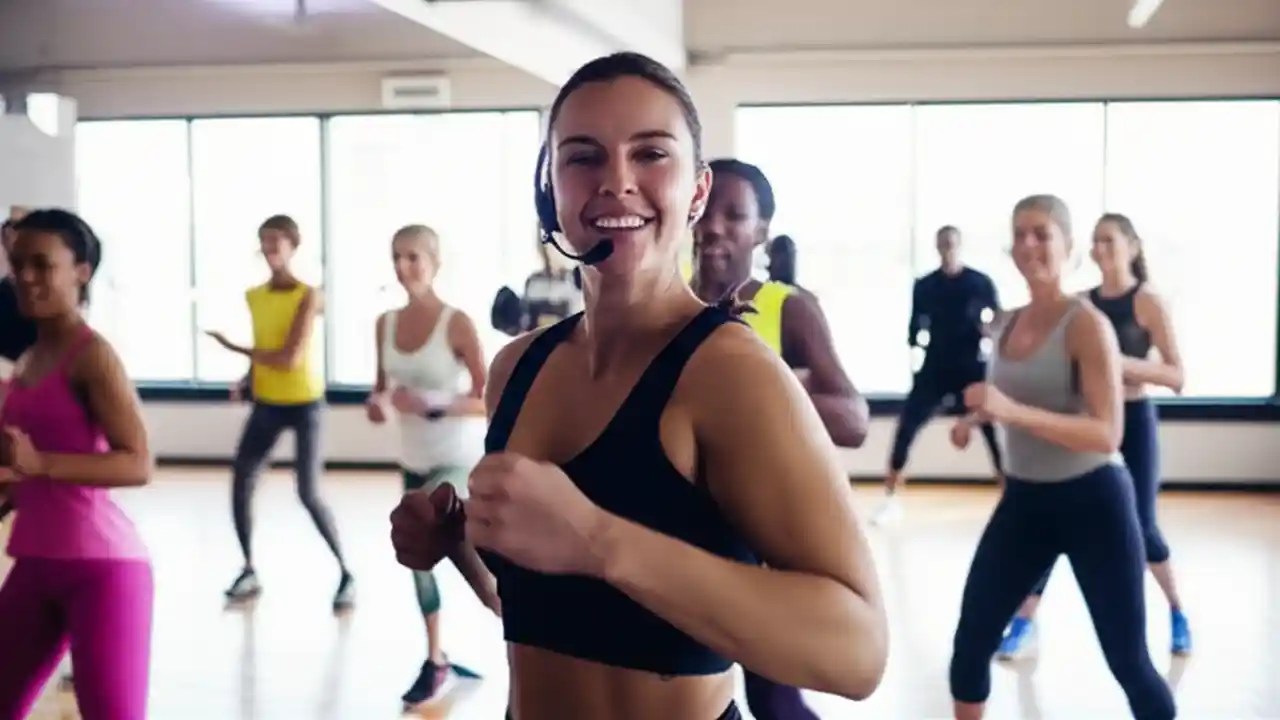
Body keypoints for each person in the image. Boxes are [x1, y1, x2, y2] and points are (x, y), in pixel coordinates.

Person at [390, 51, 888, 720]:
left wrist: (600, 540)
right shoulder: (516, 370)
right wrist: (456, 548)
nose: (616, 181)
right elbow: (550, 618)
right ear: (550, 191)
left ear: (698, 192)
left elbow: (858, 653)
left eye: (651, 154)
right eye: (583, 156)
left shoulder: (729, 372)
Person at [946, 194, 1176, 720]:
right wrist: (973, 418)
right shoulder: (1005, 322)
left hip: (1094, 500)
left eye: (1042, 233)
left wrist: (1009, 410)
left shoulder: (1086, 324)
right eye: (1020, 234)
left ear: (1069, 247)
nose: (1029, 244)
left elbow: (1106, 433)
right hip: (1025, 501)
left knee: (1128, 661)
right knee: (969, 649)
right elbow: (1007, 396)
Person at [692, 157, 869, 719]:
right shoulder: (668, 307)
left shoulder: (787, 308)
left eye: (734, 215)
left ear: (761, 231)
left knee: (772, 697)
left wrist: (767, 394)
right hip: (681, 532)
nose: (715, 226)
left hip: (761, 544)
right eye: (707, 210)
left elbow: (853, 419)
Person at [996, 212, 1191, 659]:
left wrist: (1114, 362)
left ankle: (1177, 611)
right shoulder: (1079, 305)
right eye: (1096, 242)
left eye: (1110, 241)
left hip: (1134, 421)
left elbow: (1177, 375)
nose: (1101, 250)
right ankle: (1025, 619)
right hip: (1082, 424)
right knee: (1046, 521)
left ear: (1132, 248)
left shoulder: (1147, 303)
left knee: (1142, 528)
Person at [0, 208, 154, 720]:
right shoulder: (29, 358)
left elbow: (137, 463)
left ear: (81, 271)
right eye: (18, 263)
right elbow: (25, 476)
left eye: (42, 265)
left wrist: (40, 463)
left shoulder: (93, 356)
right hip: (35, 559)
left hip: (102, 570)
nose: (24, 276)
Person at [364, 224, 500, 708]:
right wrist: (378, 404)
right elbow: (380, 390)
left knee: (438, 538)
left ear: (435, 262)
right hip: (412, 460)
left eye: (413, 258)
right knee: (415, 558)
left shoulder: (457, 323)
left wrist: (433, 402)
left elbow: (488, 400)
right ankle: (438, 655)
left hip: (457, 459)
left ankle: (497, 638)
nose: (403, 268)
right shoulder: (384, 323)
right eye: (396, 257)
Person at [205, 214, 353, 610]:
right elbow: (266, 347)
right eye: (264, 241)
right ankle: (249, 569)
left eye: (277, 241)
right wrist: (247, 376)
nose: (270, 248)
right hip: (267, 403)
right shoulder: (254, 296)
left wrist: (232, 348)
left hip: (305, 403)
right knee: (241, 483)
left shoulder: (309, 295)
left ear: (293, 245)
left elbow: (289, 358)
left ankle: (345, 572)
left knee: (308, 491)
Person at [873, 225, 1003, 526]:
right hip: (935, 366)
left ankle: (1010, 497)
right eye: (943, 244)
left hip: (971, 365)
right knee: (907, 426)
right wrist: (913, 351)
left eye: (953, 244)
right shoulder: (926, 286)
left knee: (993, 429)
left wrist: (990, 335)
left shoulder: (979, 283)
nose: (948, 249)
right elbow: (914, 327)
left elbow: (997, 322)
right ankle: (890, 497)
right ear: (937, 247)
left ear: (960, 245)